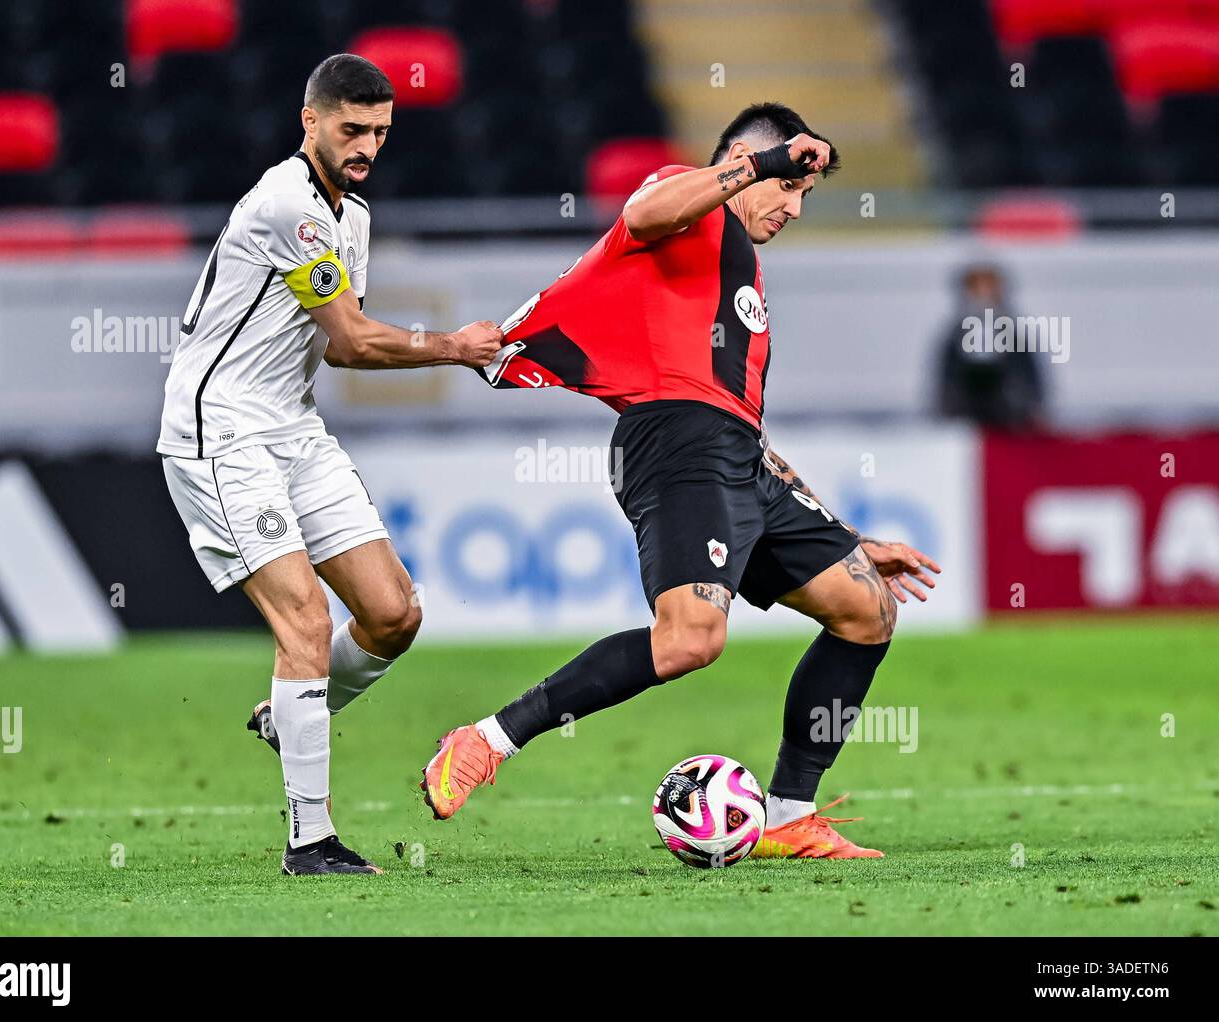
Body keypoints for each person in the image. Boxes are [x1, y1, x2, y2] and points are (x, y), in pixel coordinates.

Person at [421, 103, 941, 859]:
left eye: (803, 195)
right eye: (788, 187)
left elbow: (749, 436)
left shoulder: (742, 283)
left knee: (865, 607)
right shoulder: (693, 205)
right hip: (675, 441)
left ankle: (789, 813)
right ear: (743, 161)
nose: (793, 207)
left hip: (734, 456)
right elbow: (643, 206)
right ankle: (486, 739)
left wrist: (851, 539)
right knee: (691, 640)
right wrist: (757, 166)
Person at [156, 54, 503, 875]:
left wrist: (435, 348)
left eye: (381, 131)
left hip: (293, 427)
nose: (367, 146)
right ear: (308, 120)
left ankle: (291, 712)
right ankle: (309, 841)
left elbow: (337, 353)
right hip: (223, 430)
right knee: (306, 624)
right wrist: (452, 346)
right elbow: (350, 337)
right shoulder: (287, 205)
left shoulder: (355, 218)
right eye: (352, 128)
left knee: (393, 615)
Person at [935, 262, 1045, 429]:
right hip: (965, 425)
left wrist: (1023, 409)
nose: (983, 296)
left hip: (1010, 422)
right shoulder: (956, 335)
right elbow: (947, 386)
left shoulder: (1013, 334)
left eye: (989, 289)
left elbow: (1028, 382)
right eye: (977, 290)